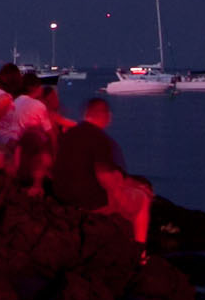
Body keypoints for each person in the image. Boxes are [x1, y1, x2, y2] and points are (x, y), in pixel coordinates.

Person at [52, 97, 153, 244]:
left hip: (62, 196)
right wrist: (122, 194)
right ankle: (139, 249)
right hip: (88, 202)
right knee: (142, 199)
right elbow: (105, 176)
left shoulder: (69, 134)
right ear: (104, 115)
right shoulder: (99, 138)